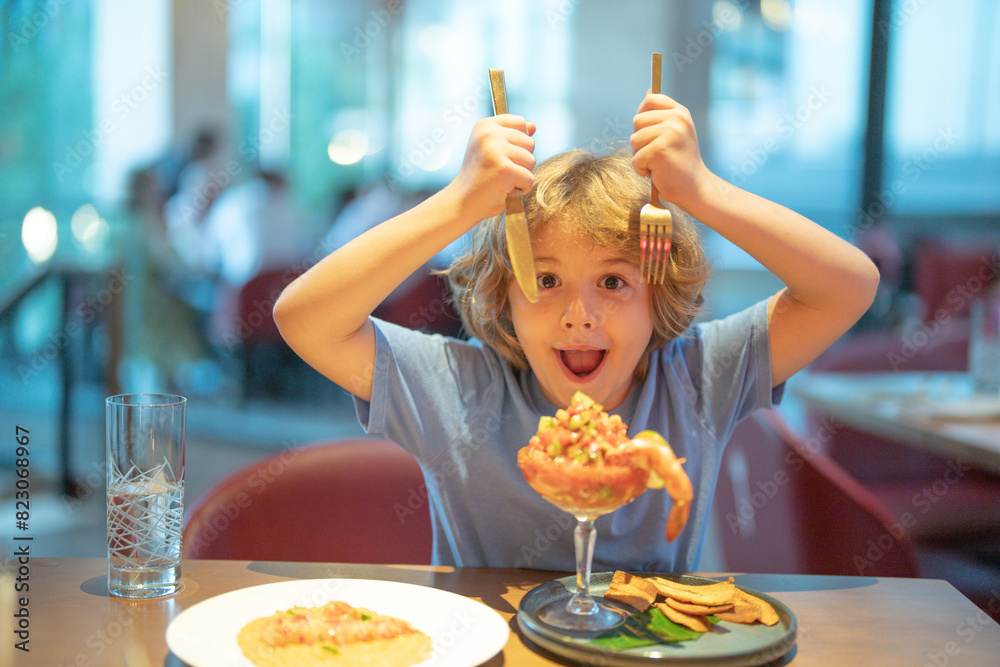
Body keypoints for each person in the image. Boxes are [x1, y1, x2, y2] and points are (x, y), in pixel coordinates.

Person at [272, 91, 879, 572]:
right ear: (502, 297)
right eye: (546, 280)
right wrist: (458, 202)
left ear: (656, 296)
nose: (579, 315)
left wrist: (703, 192)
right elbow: (302, 319)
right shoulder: (457, 390)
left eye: (613, 283)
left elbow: (849, 286)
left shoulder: (697, 379)